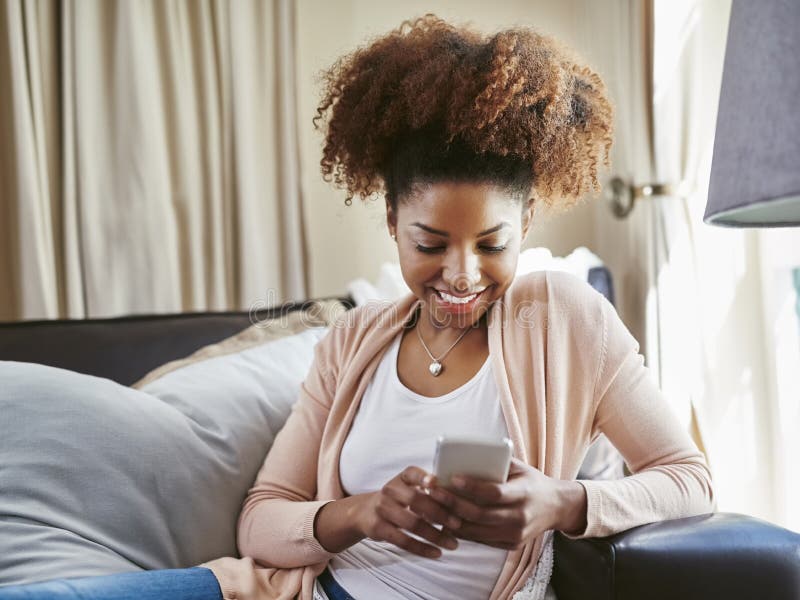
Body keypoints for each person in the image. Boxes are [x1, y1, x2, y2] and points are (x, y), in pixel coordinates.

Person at [0, 14, 713, 600]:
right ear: (391, 225)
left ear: (526, 226)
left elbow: (691, 479)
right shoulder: (355, 339)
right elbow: (262, 520)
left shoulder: (563, 318)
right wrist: (361, 514)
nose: (461, 275)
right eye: (429, 242)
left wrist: (563, 503)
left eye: (491, 244)